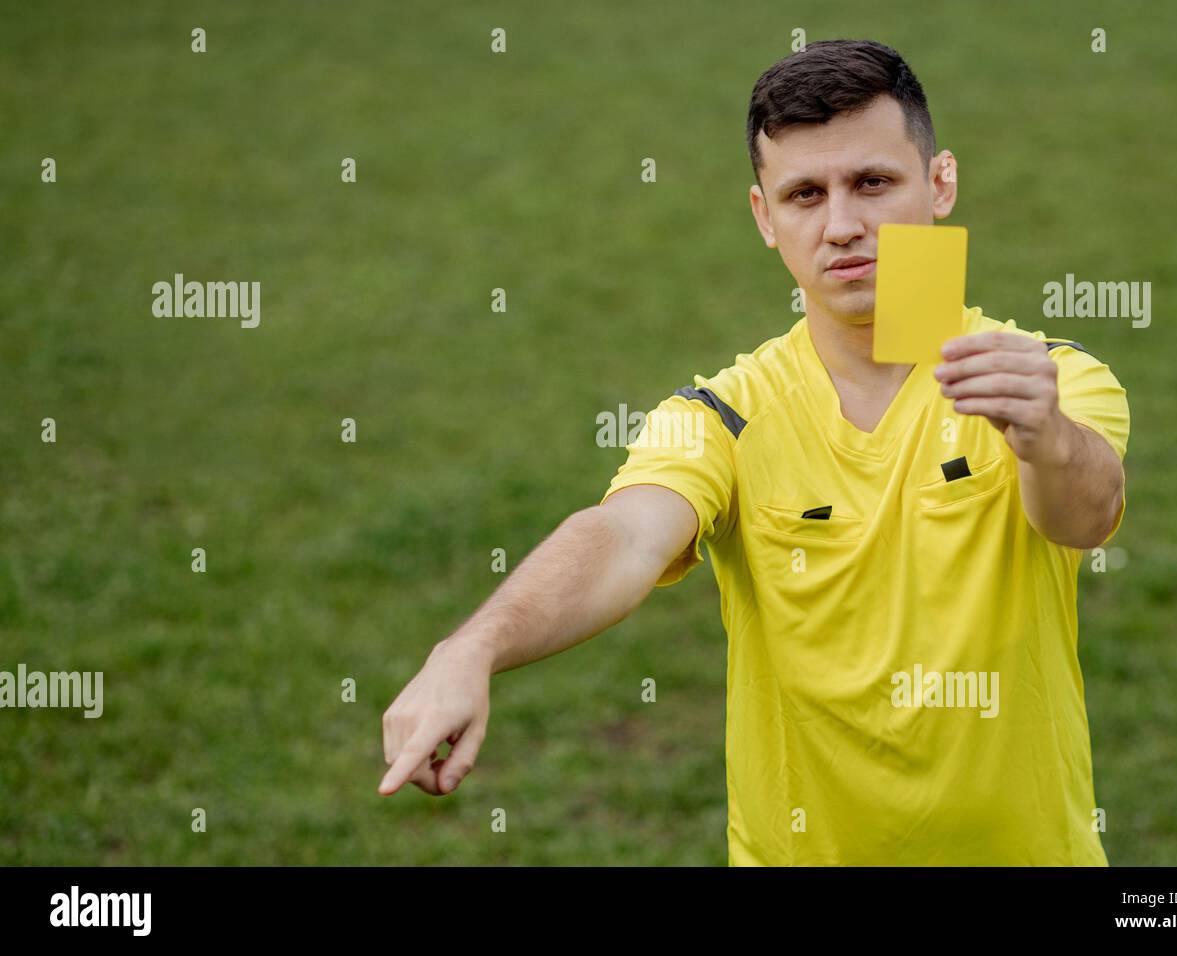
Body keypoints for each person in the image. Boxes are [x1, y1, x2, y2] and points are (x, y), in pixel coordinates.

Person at [379, 38, 1129, 866]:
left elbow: (1083, 519)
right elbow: (624, 537)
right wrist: (473, 646)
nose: (843, 225)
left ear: (940, 182)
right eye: (805, 194)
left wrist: (1046, 436)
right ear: (765, 218)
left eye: (873, 183)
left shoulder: (1047, 376)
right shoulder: (722, 415)